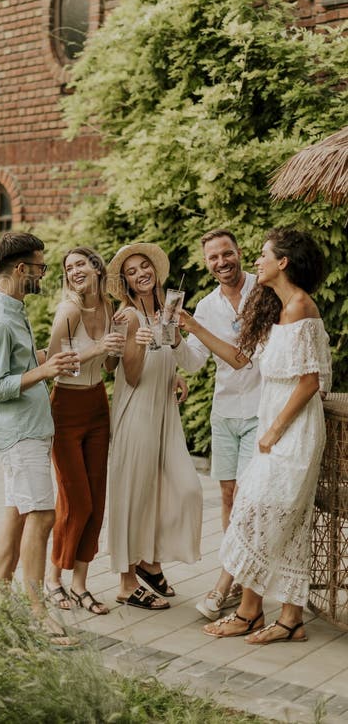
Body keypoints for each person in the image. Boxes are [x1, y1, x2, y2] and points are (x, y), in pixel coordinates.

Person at [180, 228, 332, 644]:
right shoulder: (278, 307)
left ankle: (254, 613)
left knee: (260, 514)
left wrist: (274, 432)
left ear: (283, 262)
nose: (257, 262)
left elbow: (308, 382)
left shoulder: (301, 307)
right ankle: (287, 619)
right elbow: (239, 358)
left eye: (264, 255)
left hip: (292, 430)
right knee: (278, 519)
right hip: (276, 422)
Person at [0, 231, 79, 646]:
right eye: (39, 267)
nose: (42, 274)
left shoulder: (13, 309)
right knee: (43, 516)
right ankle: (37, 614)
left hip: (29, 429)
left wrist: (41, 361)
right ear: (21, 269)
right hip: (19, 435)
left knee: (17, 512)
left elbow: (11, 366)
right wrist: (44, 373)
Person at [171, 229, 261, 620]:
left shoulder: (265, 292)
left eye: (227, 253)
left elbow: (246, 356)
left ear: (239, 253)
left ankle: (228, 581)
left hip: (261, 409)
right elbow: (194, 361)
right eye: (213, 258)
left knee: (248, 496)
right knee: (227, 495)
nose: (222, 262)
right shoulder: (206, 306)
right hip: (225, 411)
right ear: (206, 263)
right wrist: (175, 337)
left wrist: (194, 327)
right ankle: (236, 573)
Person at [106, 242, 202, 609]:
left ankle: (150, 562)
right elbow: (129, 376)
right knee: (135, 491)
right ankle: (127, 583)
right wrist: (140, 346)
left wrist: (174, 374)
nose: (140, 273)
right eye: (131, 272)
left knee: (185, 488)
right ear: (126, 283)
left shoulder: (167, 310)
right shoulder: (128, 317)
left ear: (155, 270)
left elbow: (174, 354)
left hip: (165, 410)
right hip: (137, 412)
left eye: (144, 266)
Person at [44, 247, 123, 616]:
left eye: (81, 264)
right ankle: (52, 580)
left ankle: (80, 585)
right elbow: (54, 363)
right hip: (66, 408)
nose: (75, 270)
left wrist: (117, 350)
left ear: (96, 267)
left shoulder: (109, 309)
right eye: (68, 267)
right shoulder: (69, 311)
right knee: (75, 502)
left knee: (96, 501)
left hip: (97, 405)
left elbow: (107, 366)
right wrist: (97, 349)